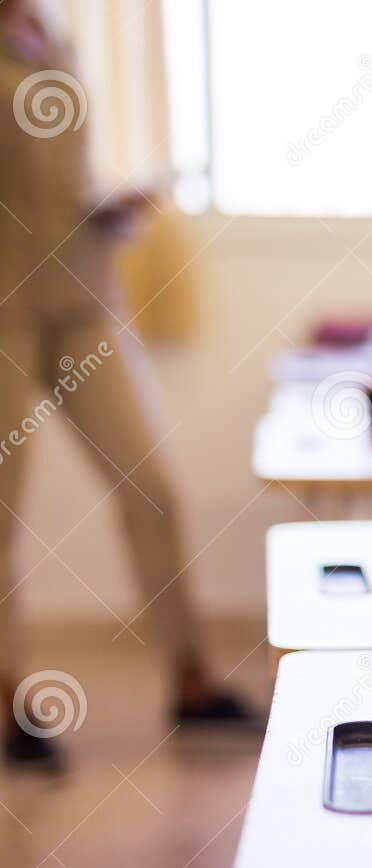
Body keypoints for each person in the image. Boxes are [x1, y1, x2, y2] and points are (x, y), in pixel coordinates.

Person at [0, 0, 250, 773]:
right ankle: (9, 702)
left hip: (83, 297)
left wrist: (103, 205)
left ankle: (191, 681)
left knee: (153, 488)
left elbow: (53, 175)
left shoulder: (49, 32)